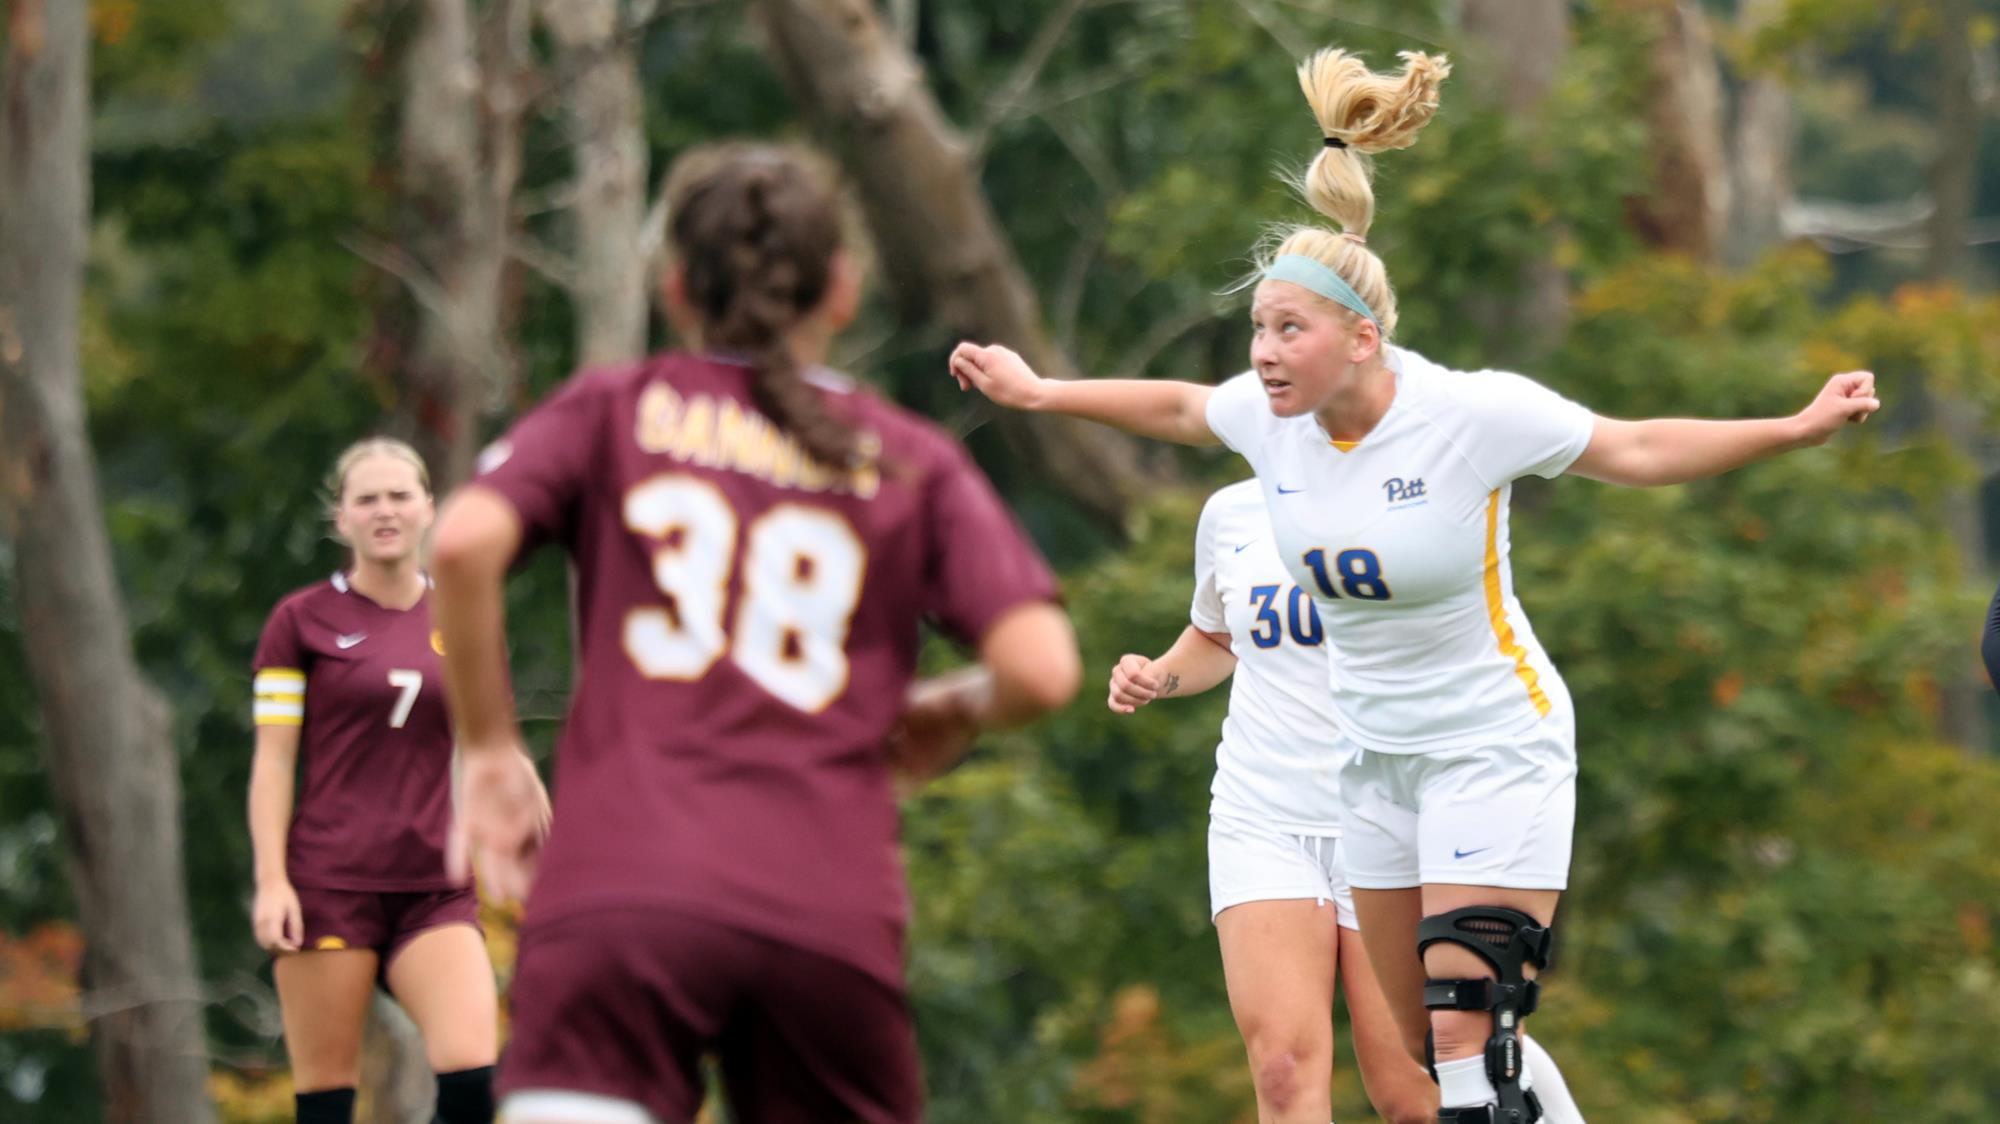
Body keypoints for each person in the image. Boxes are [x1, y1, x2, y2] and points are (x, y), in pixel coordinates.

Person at [949, 47, 1878, 1124]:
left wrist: (1792, 427)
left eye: (1287, 329)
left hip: (1492, 743)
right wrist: (1041, 391)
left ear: (1362, 337)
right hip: (1374, 766)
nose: (1262, 353)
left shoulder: (1468, 416)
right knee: (1426, 1051)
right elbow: (1174, 408)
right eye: (1256, 328)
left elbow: (1634, 446)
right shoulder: (1271, 422)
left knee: (1463, 1030)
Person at [428, 141, 1082, 1124]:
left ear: (676, 287)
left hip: (622, 894)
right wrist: (954, 705)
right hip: (824, 913)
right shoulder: (910, 459)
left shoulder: (616, 408)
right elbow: (1041, 668)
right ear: (843, 290)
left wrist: (486, 747)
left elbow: (463, 542)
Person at [1107, 478, 1435, 1123]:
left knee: (1413, 1095)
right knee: (1283, 1073)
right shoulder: (1233, 511)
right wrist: (1156, 677)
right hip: (1262, 817)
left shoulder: (1416, 495)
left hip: (1392, 821)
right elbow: (1217, 638)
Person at [248, 438, 505, 1124]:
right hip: (330, 888)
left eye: (399, 495)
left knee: (476, 1083)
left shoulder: (464, 612)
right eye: (367, 499)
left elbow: (490, 745)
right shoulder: (299, 621)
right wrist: (272, 882)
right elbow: (273, 761)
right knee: (327, 1102)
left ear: (428, 507)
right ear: (342, 518)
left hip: (434, 887)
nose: (384, 510)